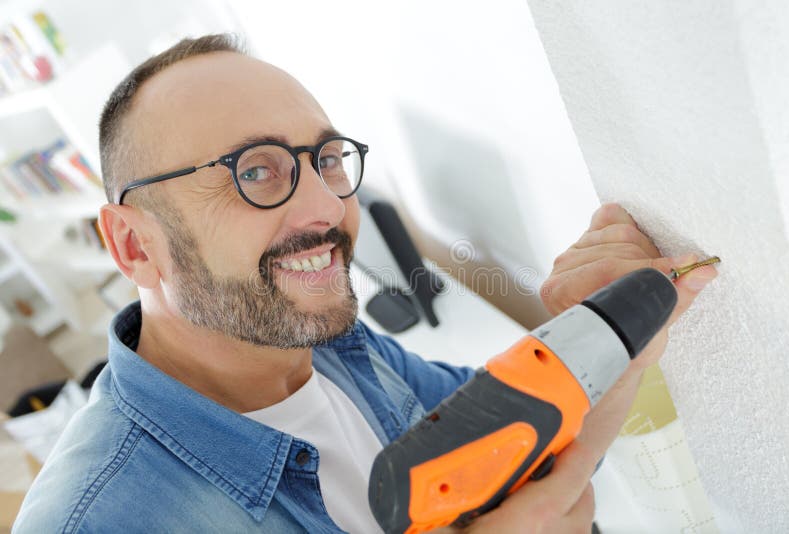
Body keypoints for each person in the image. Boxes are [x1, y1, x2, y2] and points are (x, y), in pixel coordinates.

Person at [13, 34, 716, 533]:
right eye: (255, 171)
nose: (327, 209)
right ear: (134, 243)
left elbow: (509, 446)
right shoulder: (102, 520)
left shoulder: (337, 348)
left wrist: (597, 334)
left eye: (325, 158)